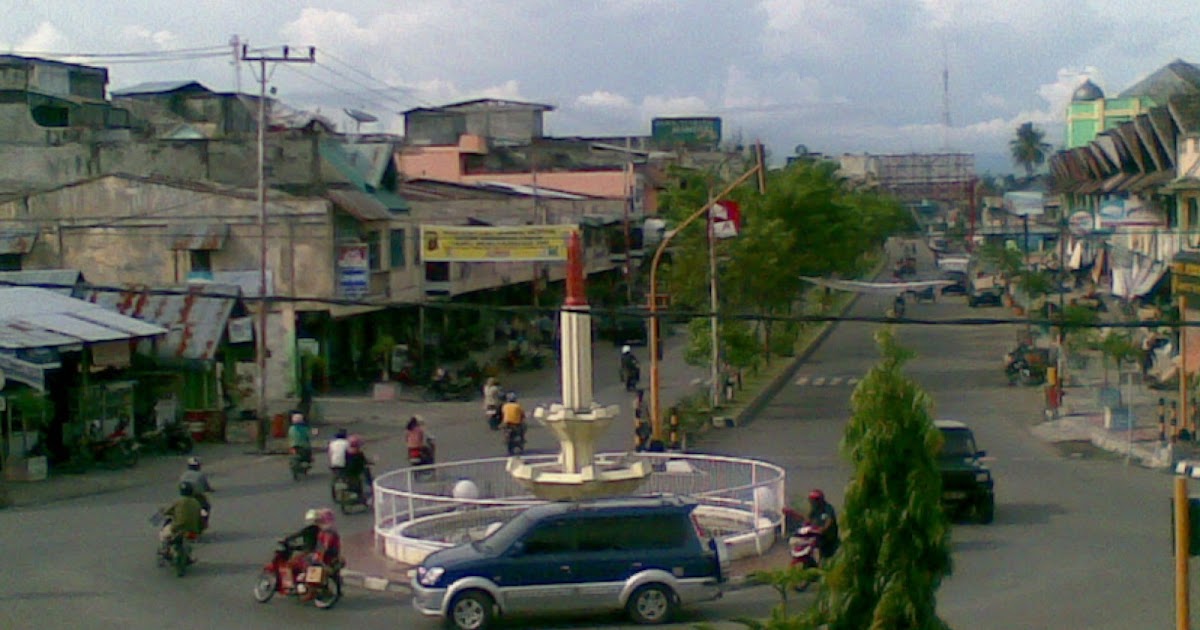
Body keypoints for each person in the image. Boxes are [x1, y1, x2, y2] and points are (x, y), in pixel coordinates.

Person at [159, 481, 204, 553]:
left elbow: (167, 511)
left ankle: (165, 550)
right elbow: (201, 517)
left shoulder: (178, 502)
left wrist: (162, 511)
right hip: (193, 530)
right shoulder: (197, 503)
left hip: (177, 528)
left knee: (163, 534)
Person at [178, 456, 214, 527]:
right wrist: (210, 490)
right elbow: (206, 487)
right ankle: (204, 523)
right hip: (197, 496)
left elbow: (180, 485)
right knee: (206, 507)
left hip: (184, 496)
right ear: (198, 466)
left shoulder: (183, 475)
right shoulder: (200, 475)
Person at [806, 489, 839, 561]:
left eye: (814, 501)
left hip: (828, 537)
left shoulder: (828, 508)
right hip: (818, 535)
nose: (812, 503)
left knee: (828, 556)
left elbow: (829, 520)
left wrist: (823, 528)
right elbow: (808, 519)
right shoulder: (814, 509)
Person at [344, 435, 373, 501]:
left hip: (348, 471)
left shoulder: (347, 452)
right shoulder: (358, 453)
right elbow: (364, 462)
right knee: (367, 474)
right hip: (357, 471)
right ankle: (370, 486)